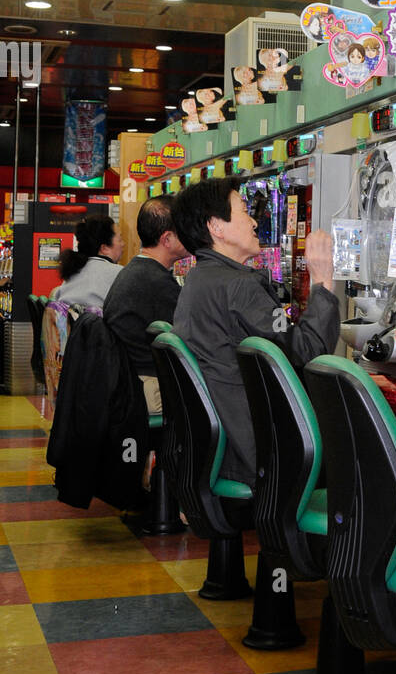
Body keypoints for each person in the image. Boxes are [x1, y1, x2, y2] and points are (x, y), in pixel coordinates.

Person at [171, 178, 340, 487]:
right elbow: (306, 351)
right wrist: (323, 281)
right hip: (257, 446)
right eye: (244, 211)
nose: (253, 221)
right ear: (216, 227)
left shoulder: (198, 279)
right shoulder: (240, 286)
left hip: (220, 444)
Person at [103, 196, 188, 417]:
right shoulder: (155, 281)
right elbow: (192, 337)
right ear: (167, 238)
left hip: (130, 382)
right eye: (185, 228)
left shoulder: (137, 270)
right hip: (148, 387)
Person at [53, 215, 124, 309]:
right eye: (120, 239)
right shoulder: (120, 274)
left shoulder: (74, 270)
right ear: (104, 248)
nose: (123, 244)